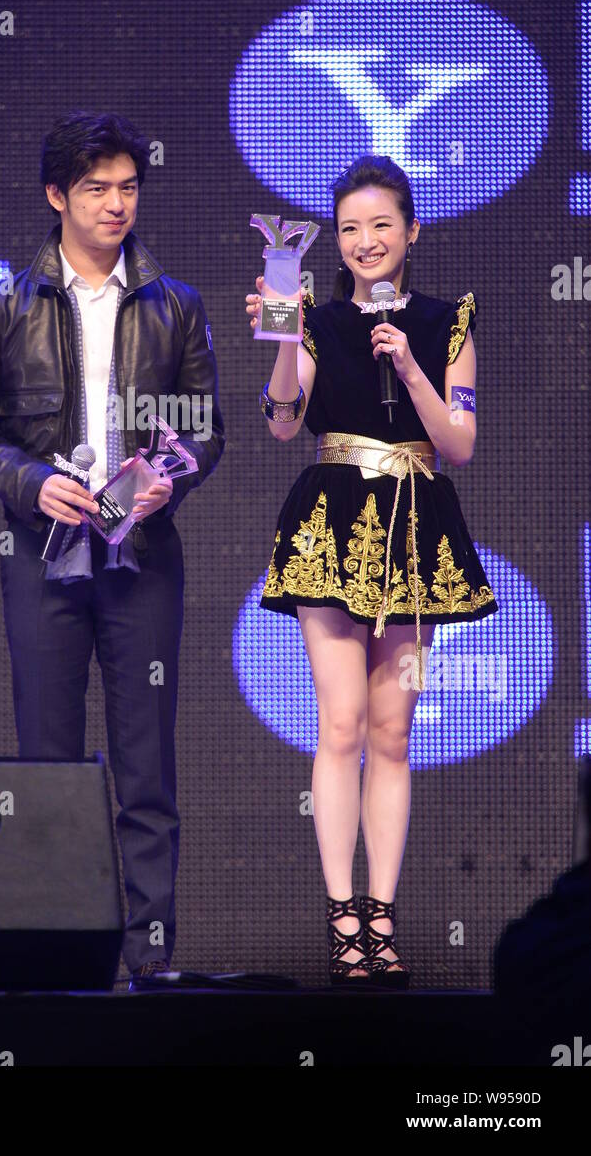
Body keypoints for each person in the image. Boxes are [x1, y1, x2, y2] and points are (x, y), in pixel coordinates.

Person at [0, 111, 224, 988]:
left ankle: (150, 954)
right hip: (42, 553)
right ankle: (54, 952)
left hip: (143, 554)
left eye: (129, 187)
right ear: (56, 195)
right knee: (50, 764)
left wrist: (169, 475)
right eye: (97, 188)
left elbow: (202, 424)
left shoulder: (174, 304)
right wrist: (31, 483)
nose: (116, 204)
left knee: (146, 762)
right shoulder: (6, 302)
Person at [247, 154, 497, 988]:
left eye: (381, 225)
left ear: (413, 231)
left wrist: (412, 365)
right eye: (350, 228)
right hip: (329, 528)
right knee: (344, 723)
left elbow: (458, 443)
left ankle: (384, 917)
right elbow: (285, 422)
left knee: (394, 733)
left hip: (418, 534)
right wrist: (284, 341)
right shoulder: (315, 318)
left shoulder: (447, 318)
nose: (365, 241)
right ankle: (341, 913)